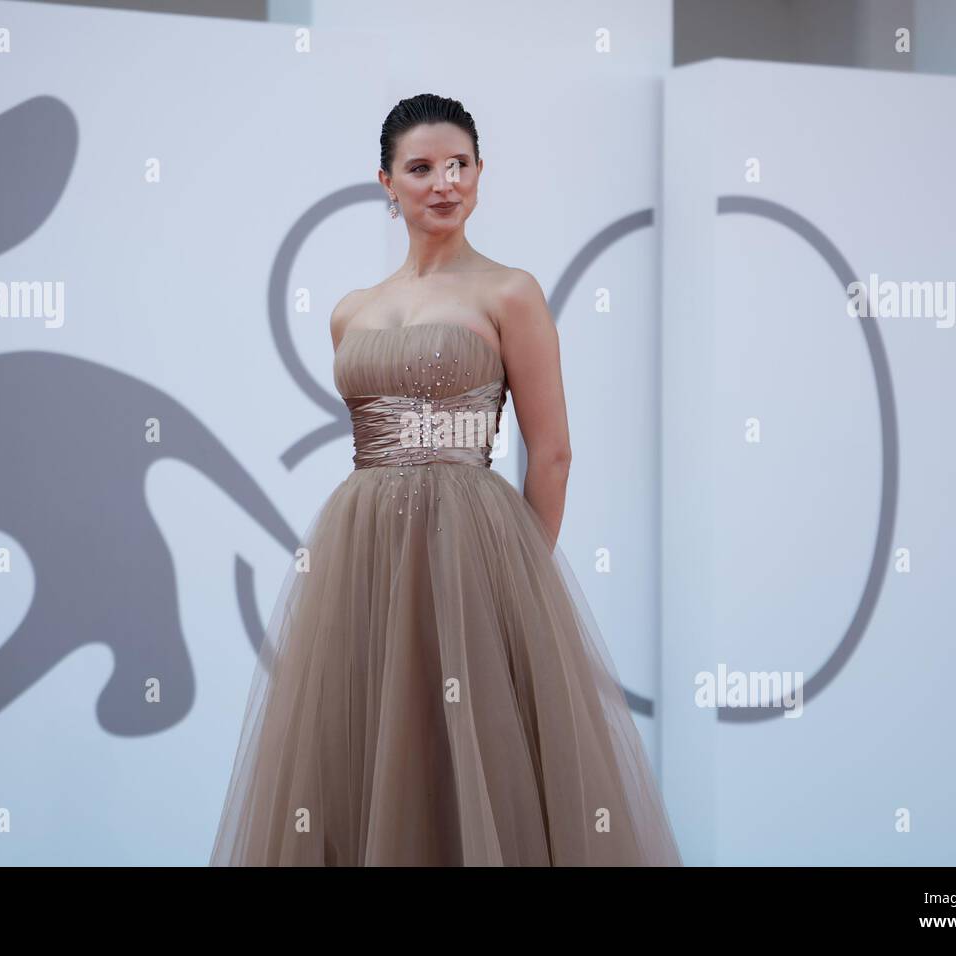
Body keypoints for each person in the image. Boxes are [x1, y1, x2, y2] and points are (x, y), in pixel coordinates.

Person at [209, 93, 682, 866]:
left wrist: (517, 576)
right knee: (368, 739)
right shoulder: (350, 310)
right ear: (386, 184)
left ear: (480, 173)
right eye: (421, 168)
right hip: (362, 545)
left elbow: (552, 450)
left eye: (458, 165)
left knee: (474, 745)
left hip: (472, 541)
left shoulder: (509, 292)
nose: (443, 182)